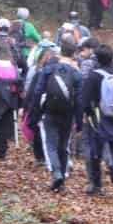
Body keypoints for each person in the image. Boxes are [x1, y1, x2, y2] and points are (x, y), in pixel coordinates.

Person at [29, 38, 83, 192]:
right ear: (74, 54)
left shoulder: (48, 69)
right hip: (68, 114)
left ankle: (56, 173)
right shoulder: (76, 74)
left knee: (51, 145)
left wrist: (35, 114)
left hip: (50, 111)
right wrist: (79, 122)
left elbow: (38, 92)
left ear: (60, 52)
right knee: (63, 146)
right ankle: (62, 179)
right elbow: (79, 100)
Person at [82, 43, 113, 198]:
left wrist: (88, 114)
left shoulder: (94, 75)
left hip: (100, 117)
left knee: (94, 151)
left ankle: (96, 184)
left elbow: (85, 100)